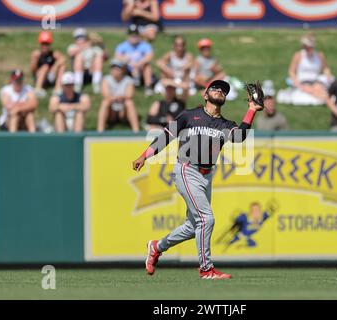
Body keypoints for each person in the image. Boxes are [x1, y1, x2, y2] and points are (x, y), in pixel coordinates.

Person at [132, 80, 265, 279]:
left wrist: (252, 110)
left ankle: (156, 246)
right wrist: (145, 155)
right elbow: (166, 136)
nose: (220, 91)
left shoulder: (224, 124)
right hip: (187, 169)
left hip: (206, 175)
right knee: (206, 219)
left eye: (224, 91)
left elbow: (239, 137)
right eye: (215, 88)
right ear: (205, 94)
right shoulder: (188, 116)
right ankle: (206, 269)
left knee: (194, 226)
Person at [97, 59, 139, 132]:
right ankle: (100, 131)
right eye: (113, 68)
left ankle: (136, 131)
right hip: (111, 110)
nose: (114, 71)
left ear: (123, 70)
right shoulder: (106, 79)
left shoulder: (128, 80)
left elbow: (129, 95)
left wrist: (117, 97)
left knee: (129, 103)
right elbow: (106, 95)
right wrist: (118, 98)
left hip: (123, 111)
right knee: (105, 102)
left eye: (117, 69)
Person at [288, 33, 332, 102]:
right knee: (310, 90)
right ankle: (326, 99)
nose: (308, 48)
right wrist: (296, 82)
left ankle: (325, 98)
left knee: (319, 88)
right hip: (303, 81)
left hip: (316, 81)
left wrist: (328, 76)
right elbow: (291, 71)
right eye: (306, 47)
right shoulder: (298, 55)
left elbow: (325, 68)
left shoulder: (319, 55)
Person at [115, 26, 154, 96]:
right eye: (132, 35)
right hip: (127, 69)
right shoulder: (122, 46)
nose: (134, 37)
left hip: (140, 69)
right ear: (128, 35)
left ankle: (148, 87)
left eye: (135, 35)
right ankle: (118, 87)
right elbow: (117, 57)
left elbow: (149, 57)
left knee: (147, 66)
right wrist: (128, 62)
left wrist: (138, 64)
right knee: (118, 67)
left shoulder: (145, 45)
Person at [67, 28, 105, 94]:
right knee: (79, 57)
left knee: (98, 57)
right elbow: (70, 53)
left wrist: (101, 44)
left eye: (82, 37)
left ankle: (96, 84)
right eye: (78, 37)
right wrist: (86, 45)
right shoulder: (73, 46)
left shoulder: (93, 48)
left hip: (91, 72)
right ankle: (78, 85)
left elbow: (105, 57)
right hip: (78, 72)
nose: (80, 39)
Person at [30, 31, 66, 98]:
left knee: (62, 66)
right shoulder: (37, 54)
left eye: (47, 44)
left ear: (50, 44)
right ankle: (38, 89)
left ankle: (58, 89)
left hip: (51, 76)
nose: (45, 46)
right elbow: (33, 71)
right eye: (43, 44)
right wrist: (34, 61)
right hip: (39, 77)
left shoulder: (54, 54)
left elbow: (63, 59)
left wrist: (55, 67)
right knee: (45, 67)